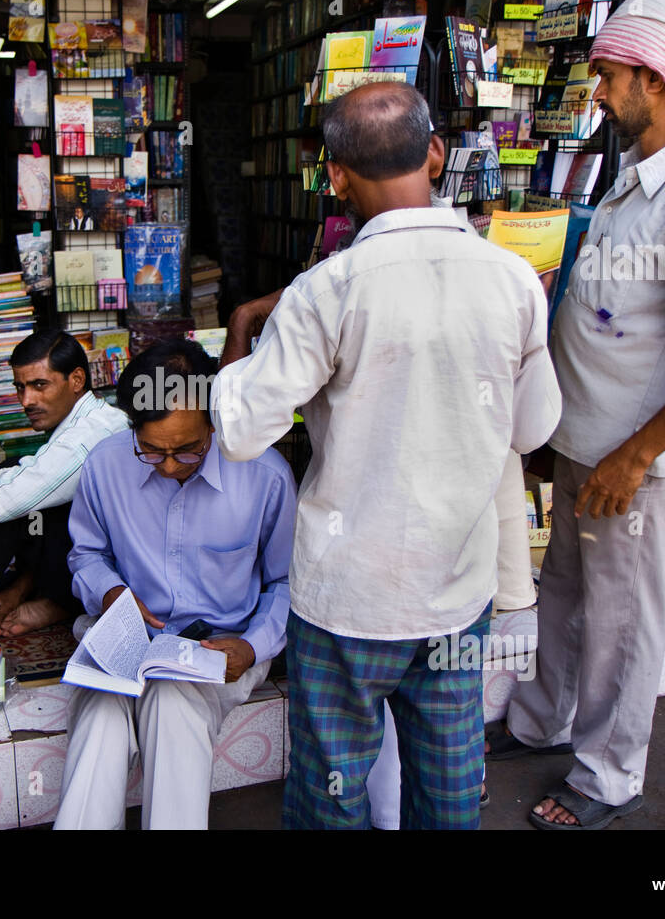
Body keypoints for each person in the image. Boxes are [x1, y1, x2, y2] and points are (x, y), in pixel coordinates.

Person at [211, 81, 561, 829]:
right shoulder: (513, 280)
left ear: (334, 175)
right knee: (447, 782)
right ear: (435, 154)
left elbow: (241, 432)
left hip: (347, 600)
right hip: (455, 594)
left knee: (332, 795)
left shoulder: (324, 290)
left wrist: (242, 329)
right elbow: (532, 431)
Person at [489, 0, 665, 830]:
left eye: (611, 75)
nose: (598, 93)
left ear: (661, 79)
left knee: (622, 618)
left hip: (628, 463)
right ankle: (544, 723)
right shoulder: (635, 176)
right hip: (585, 445)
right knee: (566, 591)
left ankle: (607, 776)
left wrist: (636, 456)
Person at [55, 339, 296, 829]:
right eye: (152, 450)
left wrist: (251, 648)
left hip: (218, 649)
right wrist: (110, 592)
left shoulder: (265, 476)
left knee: (173, 699)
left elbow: (288, 581)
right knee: (100, 712)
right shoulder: (105, 464)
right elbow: (86, 554)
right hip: (127, 642)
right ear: (133, 429)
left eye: (187, 451)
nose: (168, 466)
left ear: (213, 422)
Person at [0, 329, 127, 638]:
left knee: (12, 491)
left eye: (39, 385)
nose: (26, 400)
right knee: (22, 490)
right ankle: (19, 590)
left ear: (76, 380)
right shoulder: (90, 417)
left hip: (116, 565)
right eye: (20, 387)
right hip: (95, 549)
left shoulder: (84, 440)